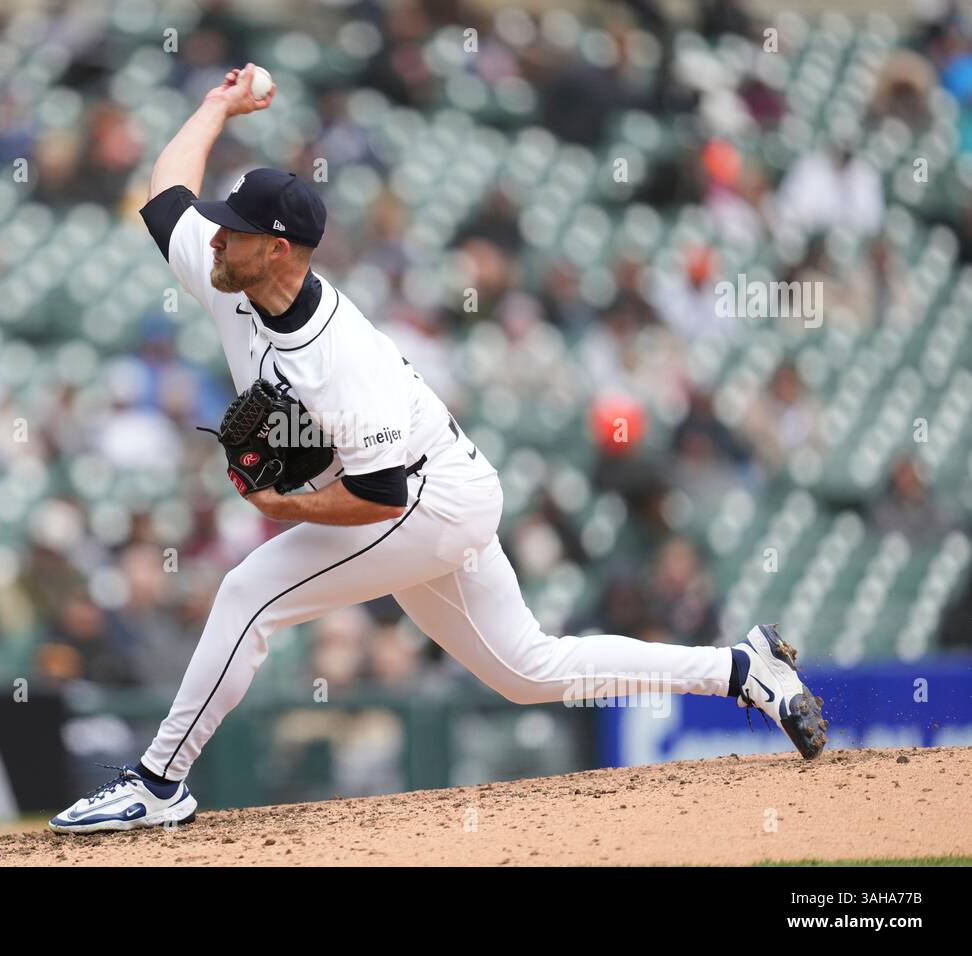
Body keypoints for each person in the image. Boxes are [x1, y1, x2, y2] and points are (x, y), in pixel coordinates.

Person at [48, 65, 829, 834]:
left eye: (235, 229)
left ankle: (157, 782)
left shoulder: (340, 360)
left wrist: (287, 506)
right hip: (433, 484)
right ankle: (740, 667)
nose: (214, 235)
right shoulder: (229, 273)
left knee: (249, 593)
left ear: (281, 251)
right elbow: (164, 195)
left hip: (427, 499)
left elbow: (380, 497)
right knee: (527, 670)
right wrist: (218, 103)